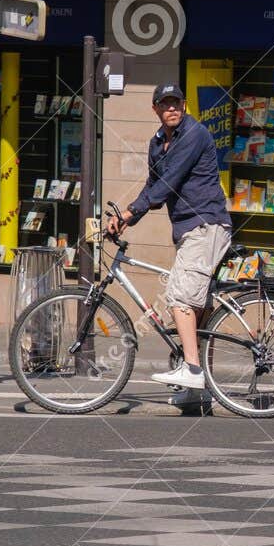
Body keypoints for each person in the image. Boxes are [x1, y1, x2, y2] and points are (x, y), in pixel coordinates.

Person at [102, 83, 233, 406]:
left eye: (176, 103)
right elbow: (153, 187)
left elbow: (167, 183)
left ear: (184, 106)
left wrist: (132, 213)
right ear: (155, 109)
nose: (171, 109)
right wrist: (127, 216)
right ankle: (200, 390)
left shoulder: (195, 134)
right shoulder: (157, 143)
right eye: (165, 104)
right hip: (188, 229)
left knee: (179, 295)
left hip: (205, 224)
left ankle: (191, 369)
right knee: (200, 310)